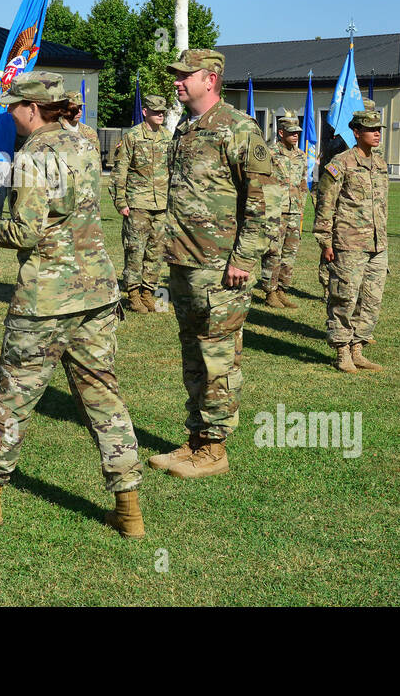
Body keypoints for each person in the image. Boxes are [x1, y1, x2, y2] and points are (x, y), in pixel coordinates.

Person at [0, 72, 143, 536]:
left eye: (14, 107)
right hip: (95, 294)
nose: (10, 114)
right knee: (103, 398)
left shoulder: (35, 156)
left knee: (12, 399)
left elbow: (26, 230)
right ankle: (128, 507)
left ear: (32, 109)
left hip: (46, 300)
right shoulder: (86, 146)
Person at [150, 49, 278, 479]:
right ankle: (196, 439)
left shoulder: (238, 129)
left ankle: (215, 449)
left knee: (219, 357)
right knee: (193, 354)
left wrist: (243, 257)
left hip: (221, 266)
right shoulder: (185, 128)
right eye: (177, 76)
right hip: (185, 261)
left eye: (186, 76)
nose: (177, 82)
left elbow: (264, 200)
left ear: (211, 78)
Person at [313, 109, 389, 373]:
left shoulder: (380, 163)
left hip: (377, 244)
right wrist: (325, 241)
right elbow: (325, 202)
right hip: (348, 243)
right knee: (344, 298)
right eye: (371, 129)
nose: (377, 133)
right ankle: (342, 350)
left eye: (379, 129)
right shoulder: (340, 163)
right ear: (356, 132)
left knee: (371, 300)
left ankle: (358, 348)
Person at [110, 94, 170, 313]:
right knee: (135, 250)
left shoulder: (167, 137)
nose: (160, 115)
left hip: (162, 204)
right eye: (156, 111)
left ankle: (148, 292)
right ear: (145, 112)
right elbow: (120, 170)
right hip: (137, 203)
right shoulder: (132, 136)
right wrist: (120, 201)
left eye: (163, 111)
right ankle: (133, 294)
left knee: (156, 251)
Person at [263, 112, 307, 309]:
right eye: (291, 132)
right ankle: (269, 292)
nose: (295, 135)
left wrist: (302, 206)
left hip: (295, 210)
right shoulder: (270, 153)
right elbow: (262, 181)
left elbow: (303, 182)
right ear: (281, 132)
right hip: (276, 210)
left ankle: (282, 290)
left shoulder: (301, 155)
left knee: (290, 253)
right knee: (273, 251)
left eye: (297, 132)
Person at [63, 91, 101, 160]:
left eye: (80, 108)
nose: (79, 112)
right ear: (64, 109)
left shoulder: (89, 132)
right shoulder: (54, 131)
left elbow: (96, 159)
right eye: (75, 109)